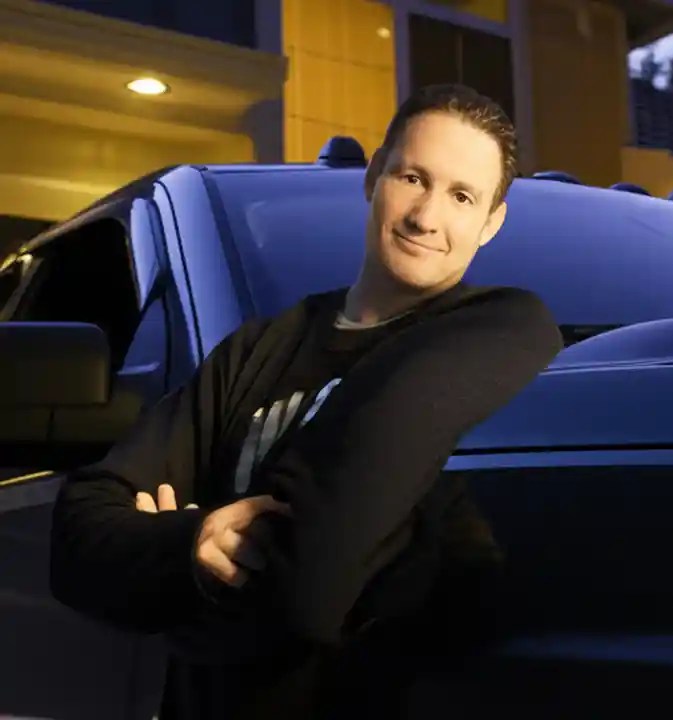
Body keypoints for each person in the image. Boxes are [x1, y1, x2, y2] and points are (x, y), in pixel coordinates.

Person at [48, 84, 564, 719]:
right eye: (412, 178)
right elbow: (76, 536)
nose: (427, 217)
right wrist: (192, 543)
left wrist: (184, 610)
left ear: (491, 222)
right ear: (374, 177)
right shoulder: (255, 351)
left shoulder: (501, 334)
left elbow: (306, 591)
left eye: (462, 196)